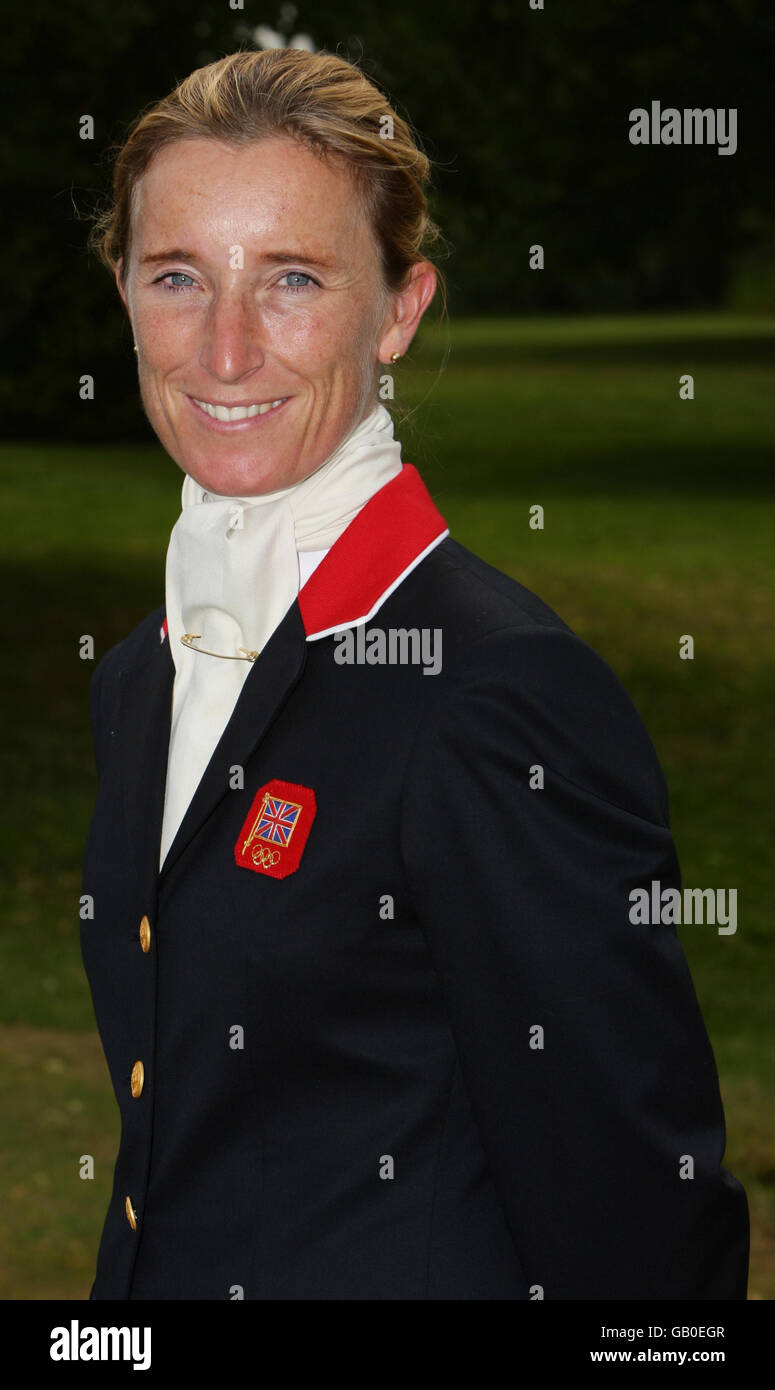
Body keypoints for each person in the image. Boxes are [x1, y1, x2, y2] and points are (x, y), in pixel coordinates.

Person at [81, 46, 748, 1300]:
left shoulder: (497, 696)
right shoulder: (139, 679)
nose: (225, 349)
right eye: (177, 276)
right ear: (123, 292)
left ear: (399, 307)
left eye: (292, 279)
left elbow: (633, 1221)